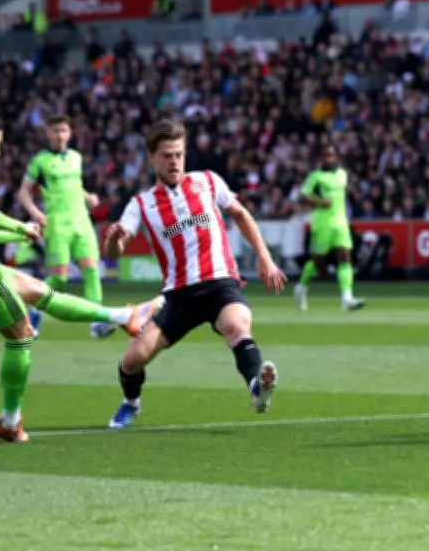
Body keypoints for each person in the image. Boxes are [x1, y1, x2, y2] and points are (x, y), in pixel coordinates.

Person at [0, 108, 162, 443]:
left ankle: (124, 315)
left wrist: (18, 236)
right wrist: (20, 225)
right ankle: (10, 423)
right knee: (21, 334)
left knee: (38, 290)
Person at [103, 120, 287, 429]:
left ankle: (257, 387)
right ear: (151, 157)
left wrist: (265, 259)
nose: (174, 161)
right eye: (166, 155)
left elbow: (241, 215)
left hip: (220, 283)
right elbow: (115, 251)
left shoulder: (208, 181)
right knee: (134, 358)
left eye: (179, 154)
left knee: (237, 323)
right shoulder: (141, 204)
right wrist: (111, 239)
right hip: (179, 297)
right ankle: (131, 402)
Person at [17, 115, 114, 339]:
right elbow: (23, 192)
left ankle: (97, 324)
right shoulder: (40, 161)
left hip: (82, 222)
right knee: (59, 278)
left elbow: (74, 186)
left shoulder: (75, 157)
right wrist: (36, 213)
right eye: (56, 130)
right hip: (58, 224)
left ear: (70, 133)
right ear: (48, 134)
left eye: (64, 130)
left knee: (91, 271)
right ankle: (33, 310)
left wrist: (89, 197)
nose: (60, 135)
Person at [293, 144, 365, 311]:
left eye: (331, 155)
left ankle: (347, 298)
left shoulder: (342, 175)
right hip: (322, 223)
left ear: (336, 158)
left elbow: (344, 193)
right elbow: (302, 196)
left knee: (345, 256)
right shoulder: (315, 177)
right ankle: (301, 287)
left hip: (340, 222)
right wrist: (319, 202)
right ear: (321, 159)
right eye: (325, 156)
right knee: (318, 262)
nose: (329, 159)